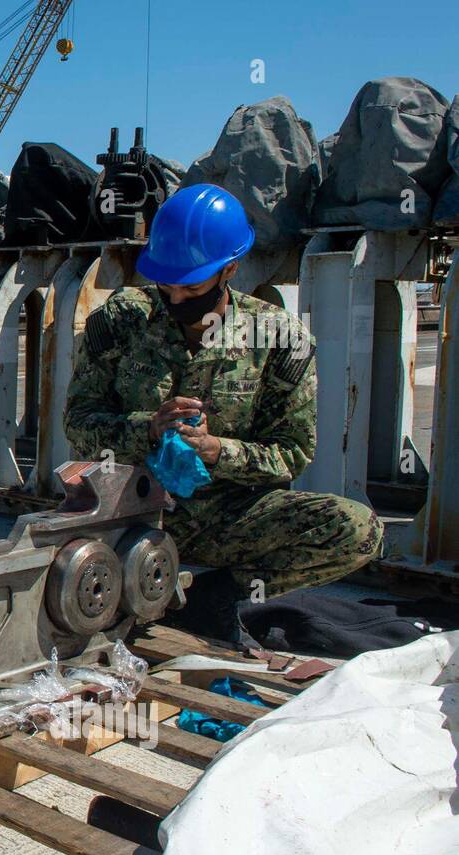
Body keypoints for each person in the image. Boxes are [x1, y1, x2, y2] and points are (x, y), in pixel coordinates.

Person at [64, 183, 383, 643]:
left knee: (358, 529)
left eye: (191, 287)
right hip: (127, 509)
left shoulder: (278, 339)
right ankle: (136, 587)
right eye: (165, 286)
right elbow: (79, 422)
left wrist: (218, 451)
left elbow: (291, 453)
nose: (175, 300)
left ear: (229, 269)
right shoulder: (121, 322)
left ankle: (211, 598)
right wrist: (147, 429)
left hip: (227, 514)